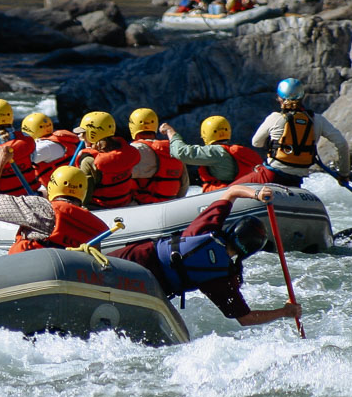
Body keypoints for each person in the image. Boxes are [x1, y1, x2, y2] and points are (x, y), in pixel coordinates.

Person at [108, 185, 302, 327]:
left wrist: (257, 194)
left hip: (135, 255)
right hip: (149, 286)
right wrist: (285, 312)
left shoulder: (206, 229)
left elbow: (232, 192)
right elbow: (246, 318)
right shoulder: (221, 278)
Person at [0, 147, 109, 254]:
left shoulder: (39, 206)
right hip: (66, 277)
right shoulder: (91, 224)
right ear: (83, 191)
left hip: (28, 273)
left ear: (52, 186)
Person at [234, 77, 350, 187]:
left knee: (231, 190)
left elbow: (256, 143)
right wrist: (344, 174)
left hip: (271, 176)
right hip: (296, 181)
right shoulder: (318, 120)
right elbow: (342, 144)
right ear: (302, 97)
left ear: (279, 98)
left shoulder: (275, 118)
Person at [161, 116, 261, 193]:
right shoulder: (238, 150)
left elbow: (181, 152)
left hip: (223, 195)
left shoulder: (215, 152)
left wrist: (171, 132)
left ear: (205, 134)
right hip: (242, 191)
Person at [74, 111, 140, 209]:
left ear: (92, 134)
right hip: (126, 202)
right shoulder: (125, 151)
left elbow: (86, 192)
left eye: (83, 133)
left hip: (101, 207)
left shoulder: (88, 160)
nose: (80, 136)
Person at [127, 108, 188, 204]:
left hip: (142, 206)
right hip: (171, 204)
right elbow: (184, 184)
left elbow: (119, 181)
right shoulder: (172, 148)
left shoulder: (134, 150)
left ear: (132, 127)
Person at [21, 112, 79, 190]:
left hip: (55, 188)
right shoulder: (56, 140)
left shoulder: (44, 147)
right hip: (67, 184)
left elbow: (21, 161)